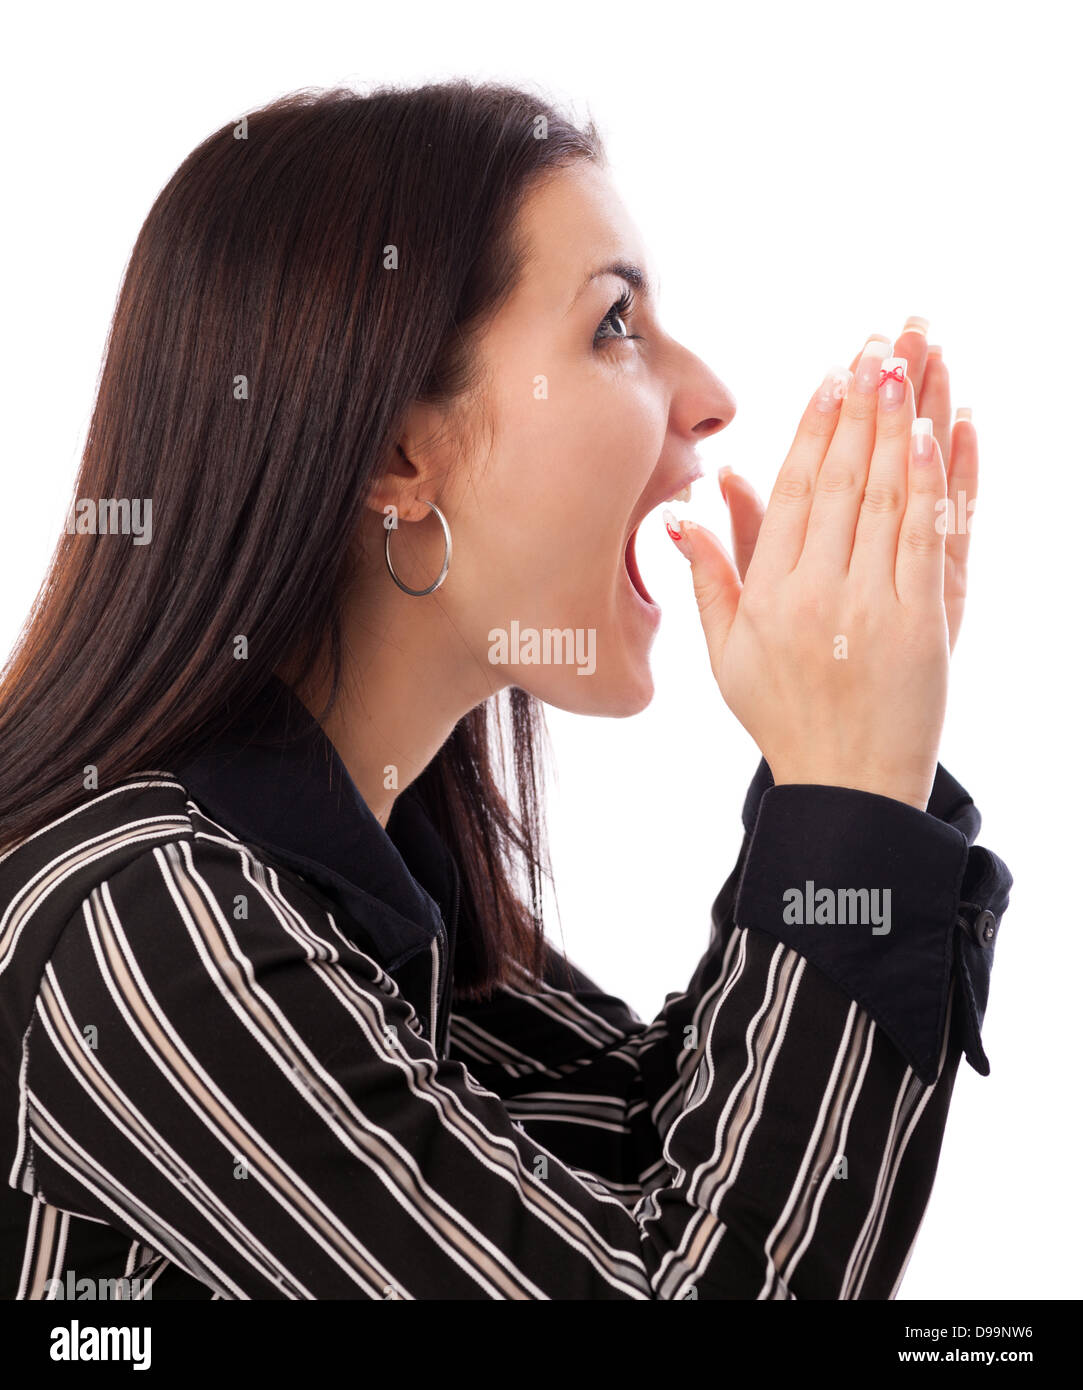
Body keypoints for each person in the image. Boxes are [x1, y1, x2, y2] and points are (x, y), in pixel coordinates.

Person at [0, 80, 1011, 1299]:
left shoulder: (384, 869)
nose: (710, 395)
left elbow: (651, 1158)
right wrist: (847, 793)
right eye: (614, 324)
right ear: (396, 455)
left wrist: (863, 779)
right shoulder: (138, 927)